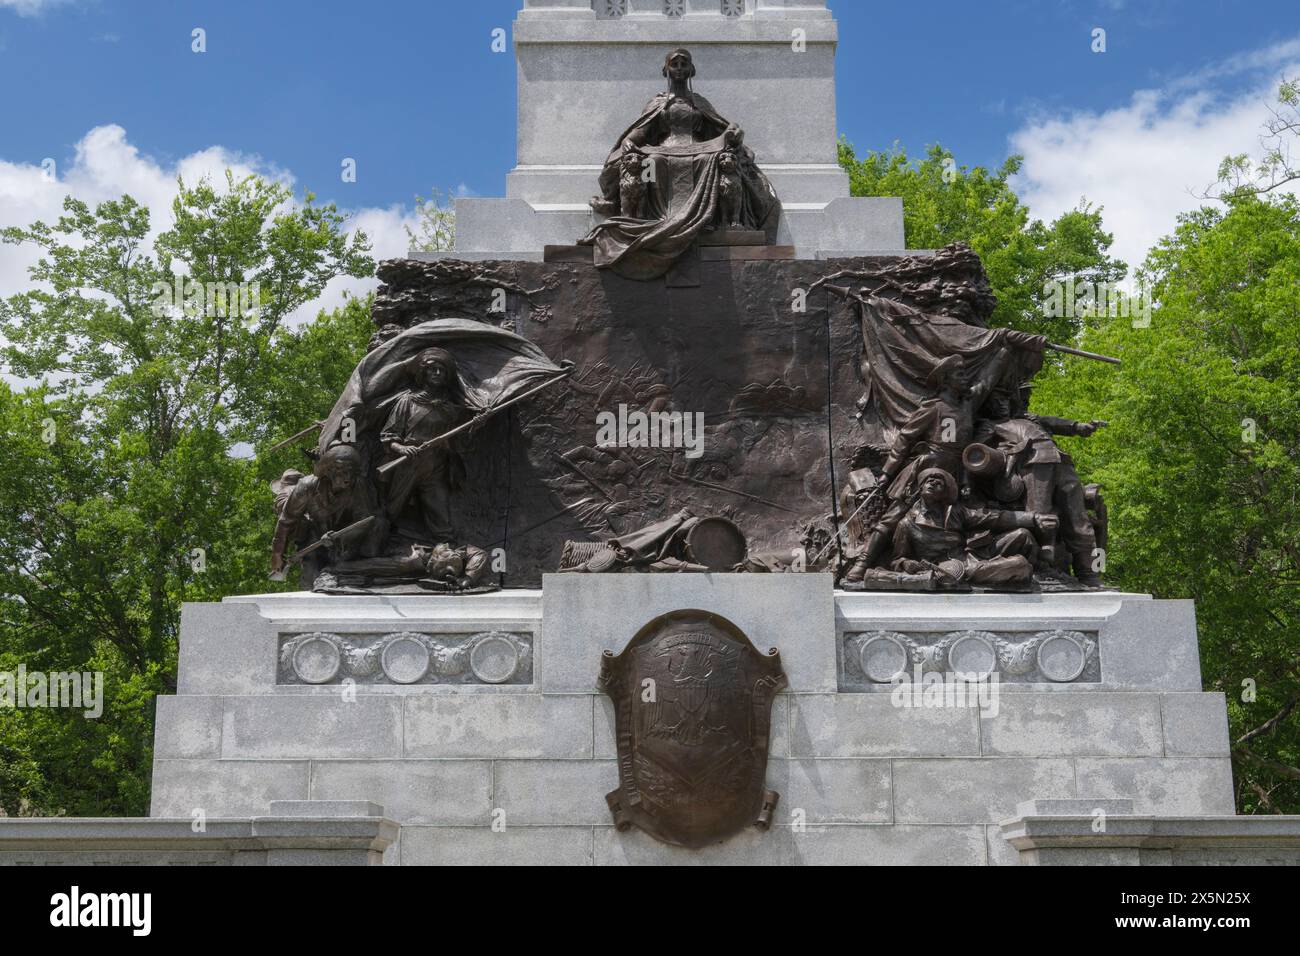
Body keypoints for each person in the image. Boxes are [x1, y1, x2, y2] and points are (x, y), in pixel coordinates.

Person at [888, 468, 1055, 589]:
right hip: (947, 570)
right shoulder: (906, 524)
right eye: (928, 480)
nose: (933, 482)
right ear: (920, 488)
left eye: (939, 482)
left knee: (1023, 535)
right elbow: (897, 560)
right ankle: (1016, 572)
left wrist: (1034, 518)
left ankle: (1040, 576)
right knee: (1019, 564)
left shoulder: (955, 511)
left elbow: (993, 517)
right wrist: (907, 563)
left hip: (971, 557)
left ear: (944, 492)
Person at [378, 347, 475, 543]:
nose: (437, 373)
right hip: (408, 463)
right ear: (424, 373)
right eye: (433, 369)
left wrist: (475, 425)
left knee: (441, 515)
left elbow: (461, 441)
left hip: (436, 466)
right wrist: (402, 448)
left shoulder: (451, 408)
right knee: (392, 509)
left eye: (442, 370)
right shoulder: (407, 401)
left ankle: (448, 555)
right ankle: (376, 548)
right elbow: (388, 436)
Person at [269, 444, 385, 588]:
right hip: (314, 538)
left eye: (351, 472)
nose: (347, 478)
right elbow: (286, 521)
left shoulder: (358, 485)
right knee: (309, 583)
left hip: (344, 543)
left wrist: (340, 537)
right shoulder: (306, 486)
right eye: (342, 471)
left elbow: (365, 520)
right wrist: (277, 554)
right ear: (328, 470)